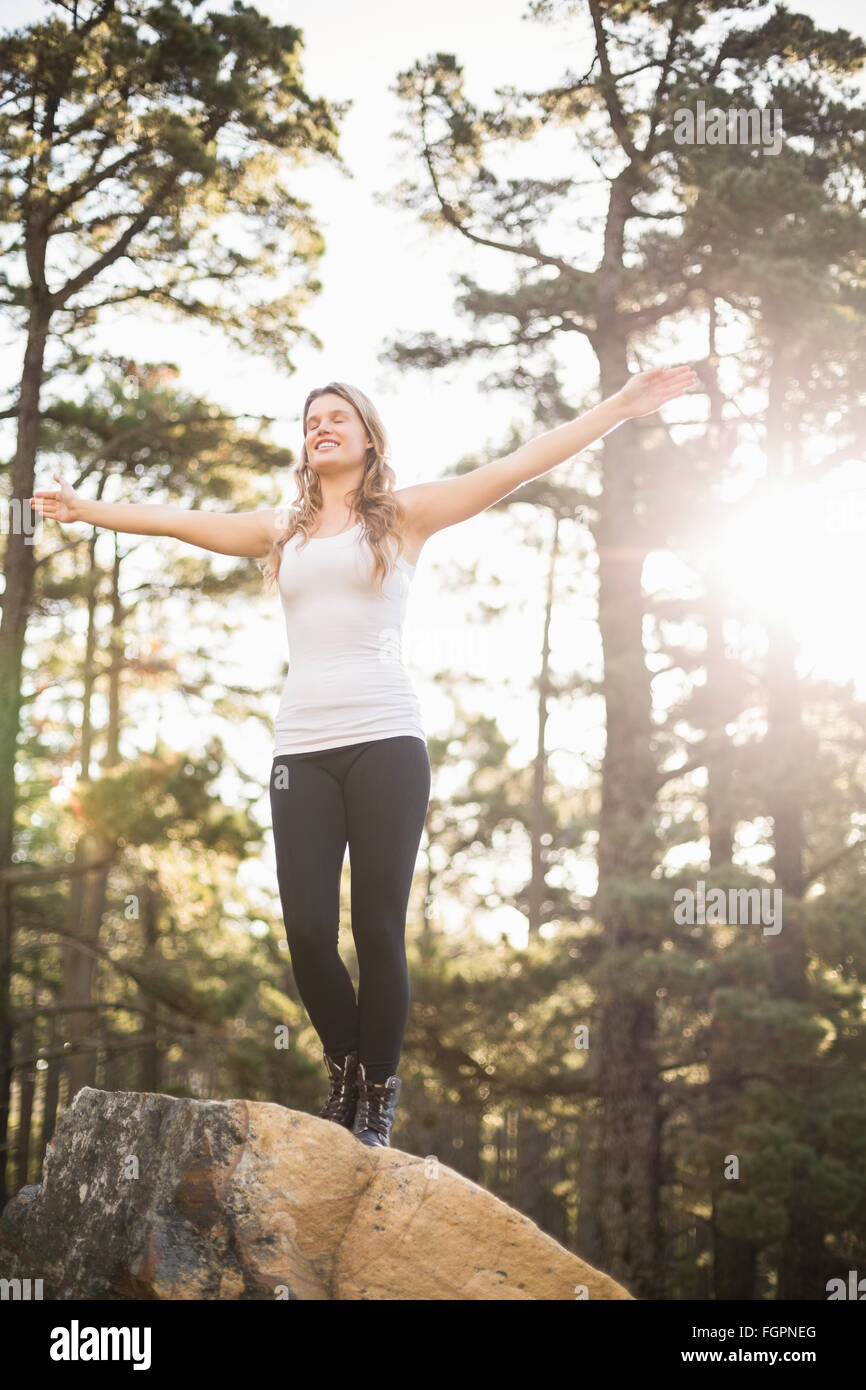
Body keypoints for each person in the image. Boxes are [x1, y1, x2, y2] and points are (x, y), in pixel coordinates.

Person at [31, 364, 696, 1148]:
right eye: (311, 420)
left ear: (368, 436)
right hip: (301, 750)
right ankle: (344, 1064)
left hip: (387, 739)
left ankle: (377, 1093)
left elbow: (516, 465)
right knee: (309, 931)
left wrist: (620, 406)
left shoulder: (404, 517)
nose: (320, 427)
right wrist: (85, 509)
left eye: (337, 416)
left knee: (377, 926)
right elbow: (181, 519)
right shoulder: (281, 530)